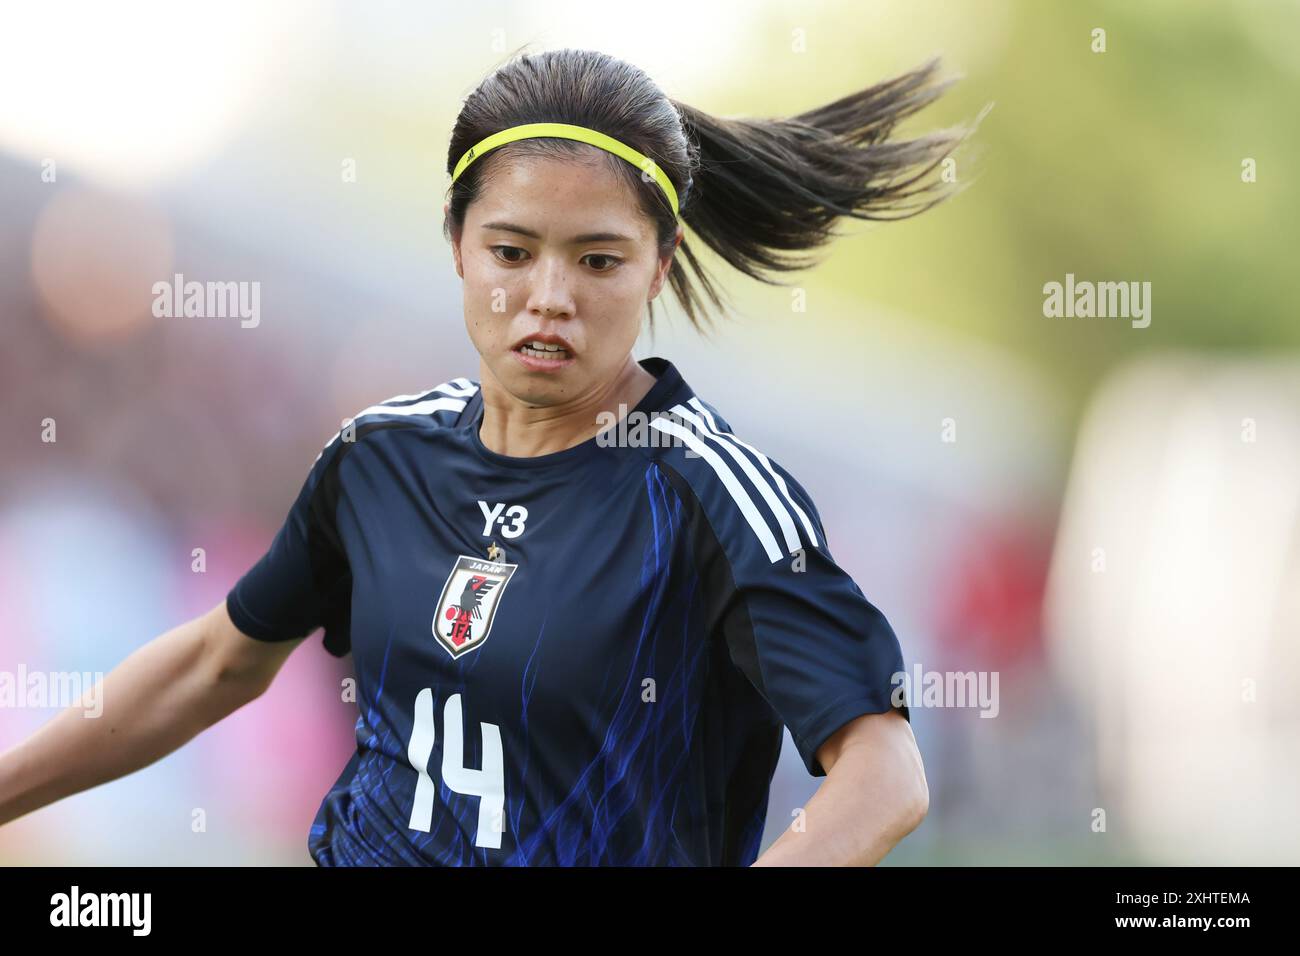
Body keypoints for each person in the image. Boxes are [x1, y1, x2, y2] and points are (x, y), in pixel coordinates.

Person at [0, 47, 975, 865]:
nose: (550, 294)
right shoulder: (377, 461)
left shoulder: (709, 494)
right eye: (512, 250)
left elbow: (883, 770)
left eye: (597, 259)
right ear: (459, 246)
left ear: (658, 267)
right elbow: (214, 664)